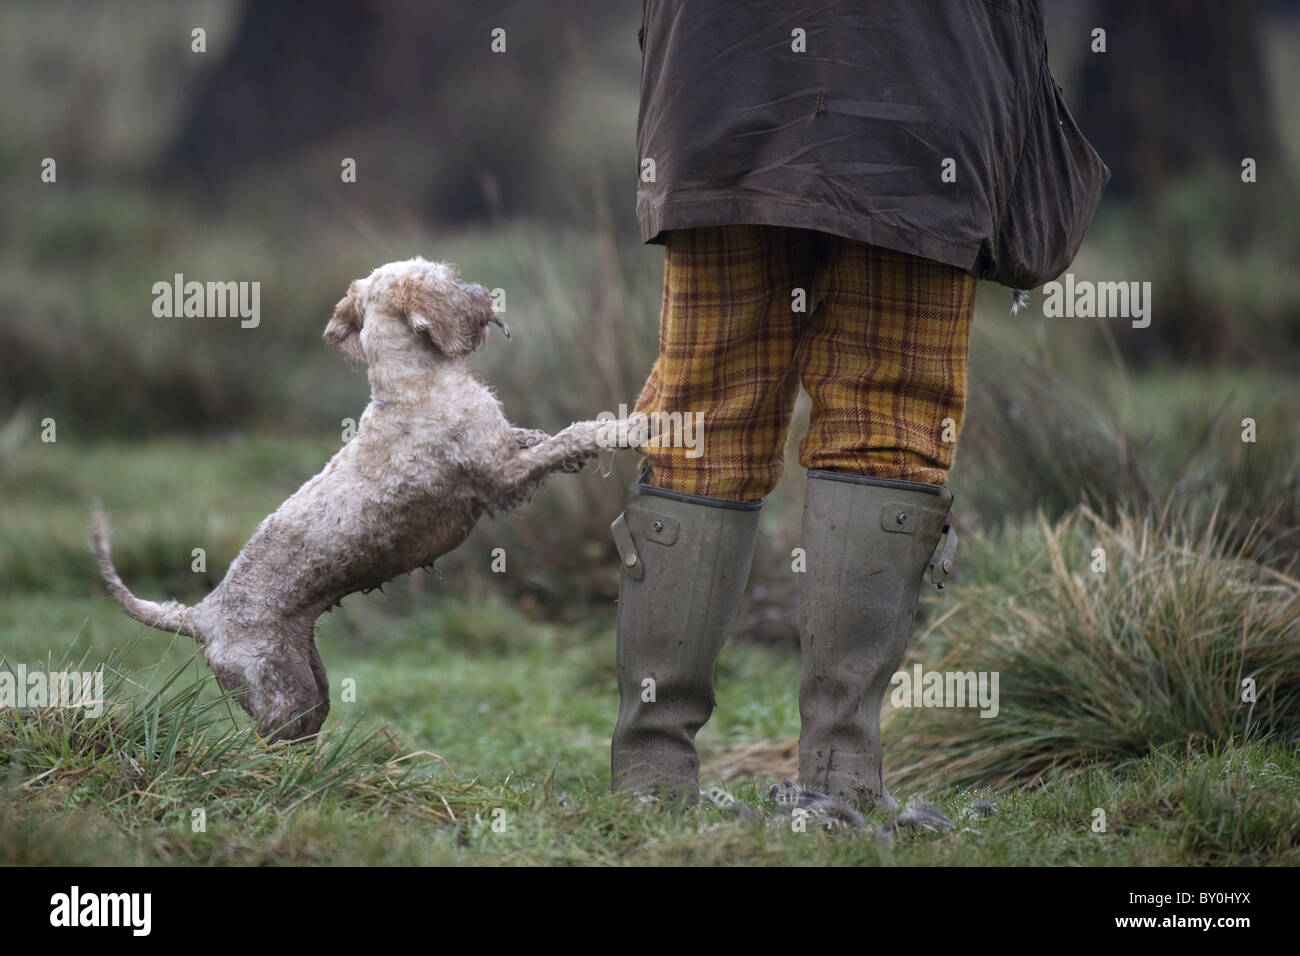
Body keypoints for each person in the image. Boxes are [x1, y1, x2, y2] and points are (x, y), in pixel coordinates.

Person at [608, 0, 1107, 808]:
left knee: (702, 413)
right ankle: (841, 780)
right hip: (924, 82)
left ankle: (651, 778)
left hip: (722, 72)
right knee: (890, 416)